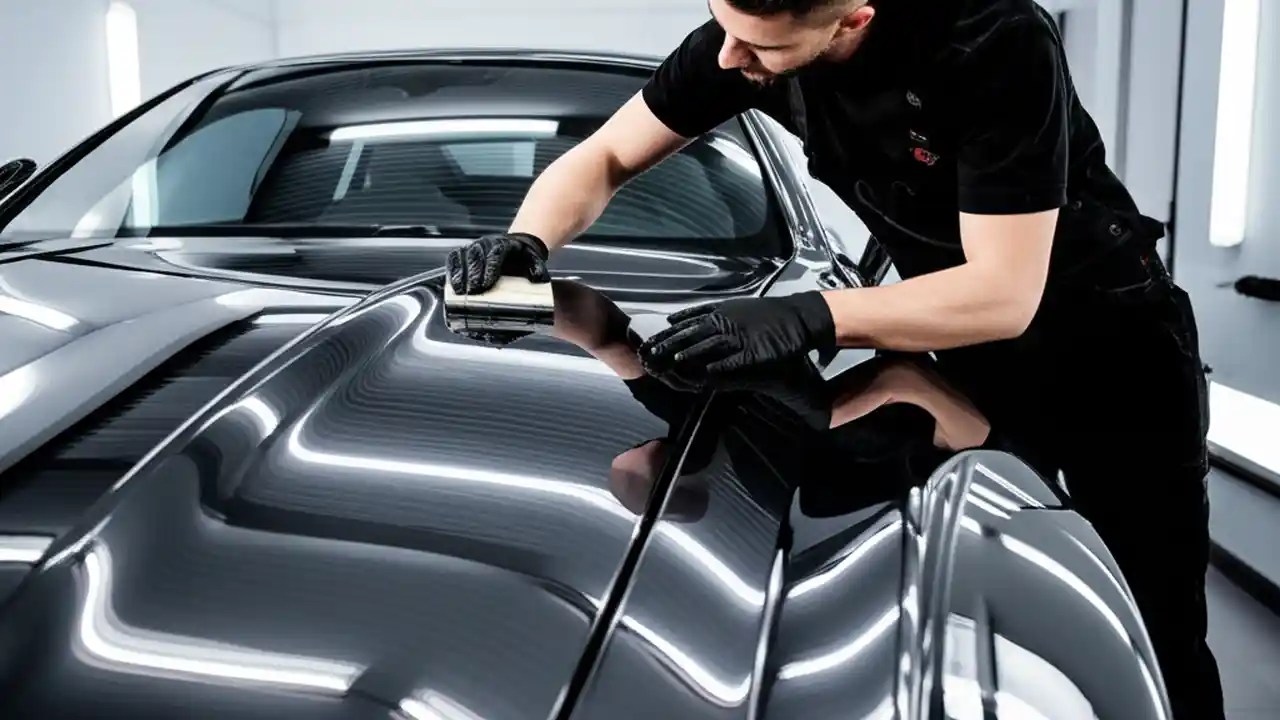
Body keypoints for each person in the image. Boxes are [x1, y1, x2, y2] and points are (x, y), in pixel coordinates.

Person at [445, 0, 1222, 716]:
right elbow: (610, 155)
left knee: (1153, 628)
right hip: (955, 350)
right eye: (723, 24)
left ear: (855, 19)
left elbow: (1003, 292)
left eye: (759, 46)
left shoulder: (992, 41)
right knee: (997, 611)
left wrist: (808, 316)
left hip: (1110, 356)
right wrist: (528, 241)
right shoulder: (742, 37)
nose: (728, 58)